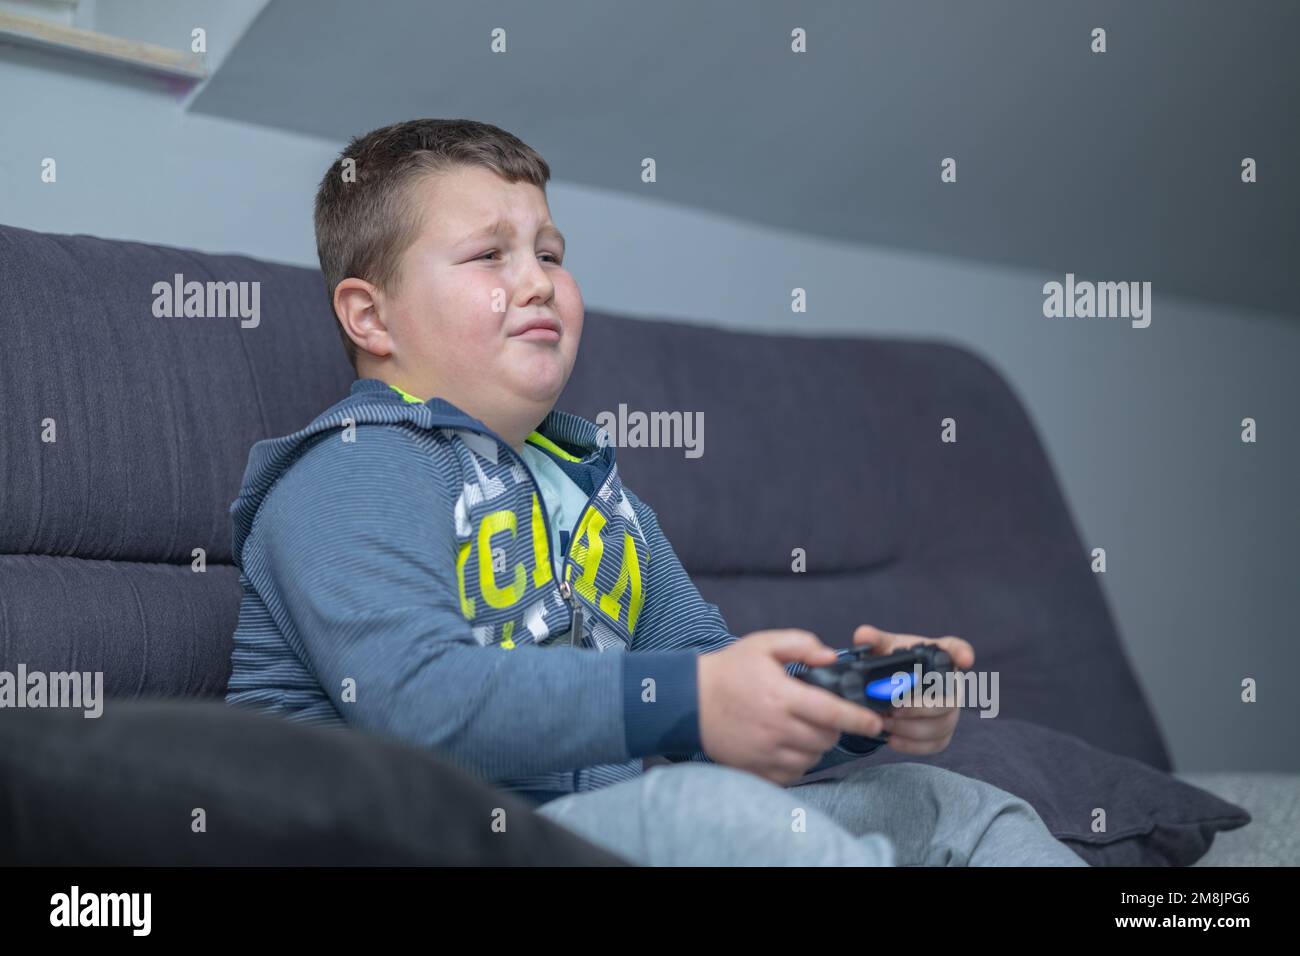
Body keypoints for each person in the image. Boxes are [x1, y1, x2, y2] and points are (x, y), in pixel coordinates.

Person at [225, 118, 1085, 866]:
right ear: (370, 318)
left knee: (943, 805)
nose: (538, 281)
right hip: (403, 846)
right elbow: (416, 697)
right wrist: (688, 701)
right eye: (490, 255)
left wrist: (858, 707)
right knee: (706, 819)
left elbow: (713, 682)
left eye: (550, 254)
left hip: (593, 839)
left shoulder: (601, 500)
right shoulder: (346, 471)